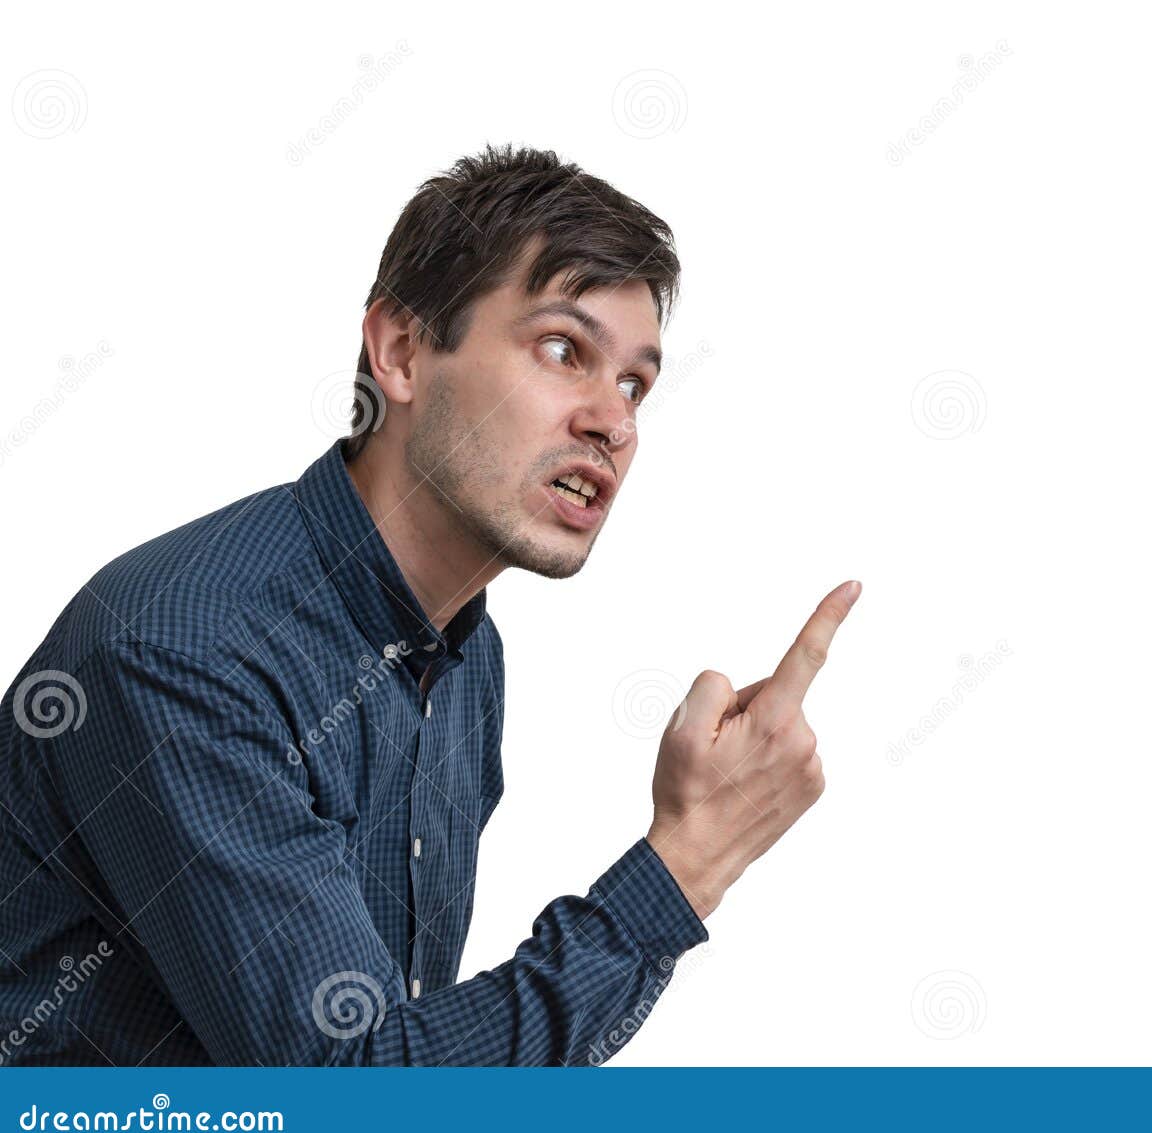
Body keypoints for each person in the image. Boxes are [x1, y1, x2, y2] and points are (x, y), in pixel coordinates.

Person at [0, 144, 859, 1065]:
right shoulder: (184, 652)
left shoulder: (463, 653)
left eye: (634, 384)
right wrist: (689, 861)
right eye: (564, 349)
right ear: (403, 351)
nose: (613, 422)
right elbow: (356, 1097)